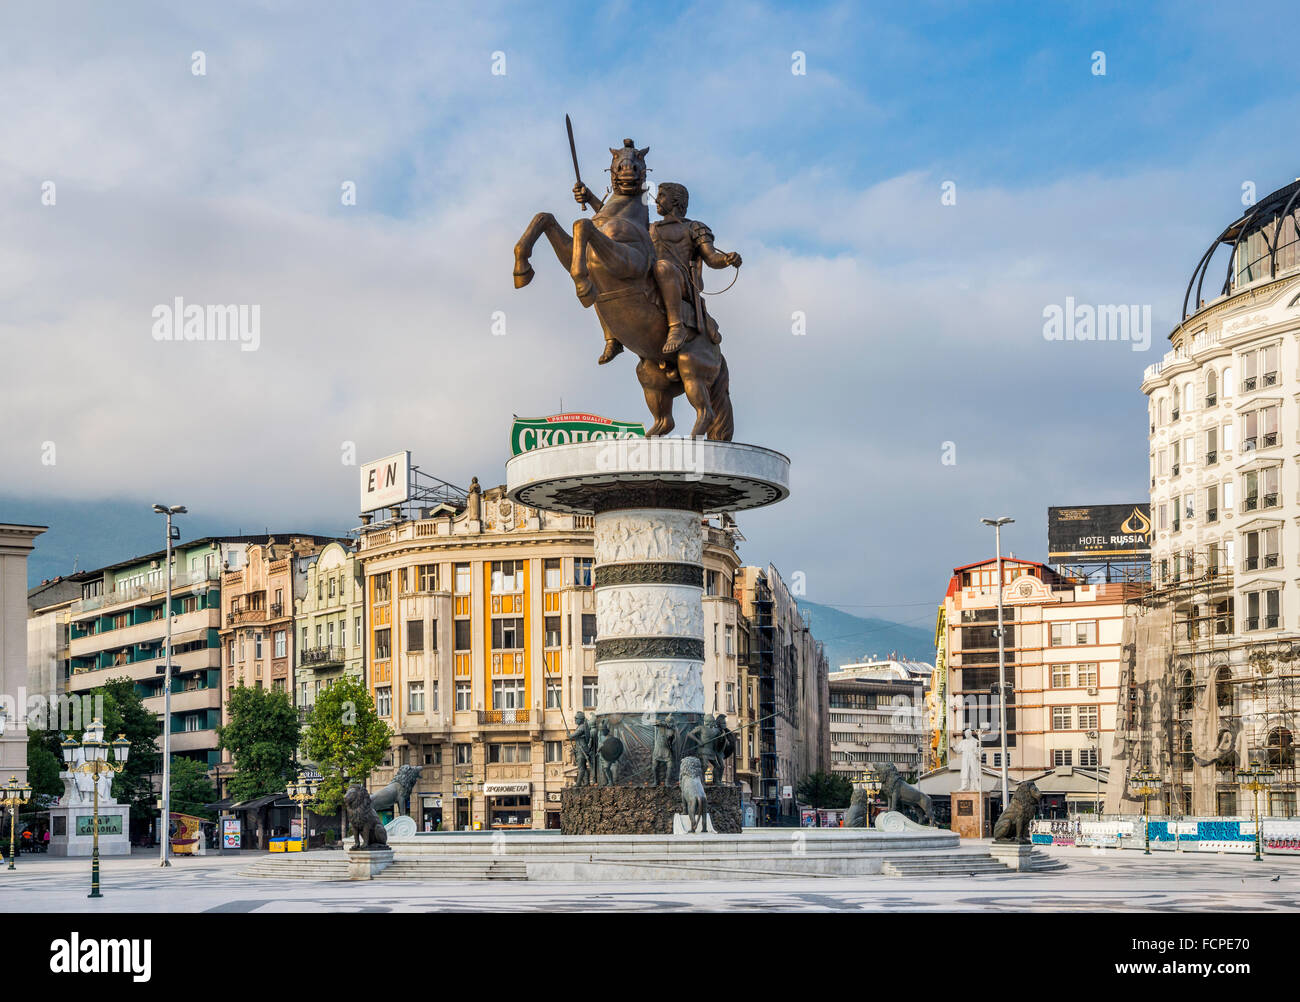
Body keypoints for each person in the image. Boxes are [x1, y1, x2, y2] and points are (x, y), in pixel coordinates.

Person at [648, 182, 741, 354]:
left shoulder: (694, 227)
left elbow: (712, 258)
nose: (656, 200)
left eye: (661, 195)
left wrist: (728, 259)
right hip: (652, 278)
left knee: (663, 267)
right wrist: (591, 199)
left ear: (676, 201)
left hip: (681, 282)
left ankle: (676, 327)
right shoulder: (650, 228)